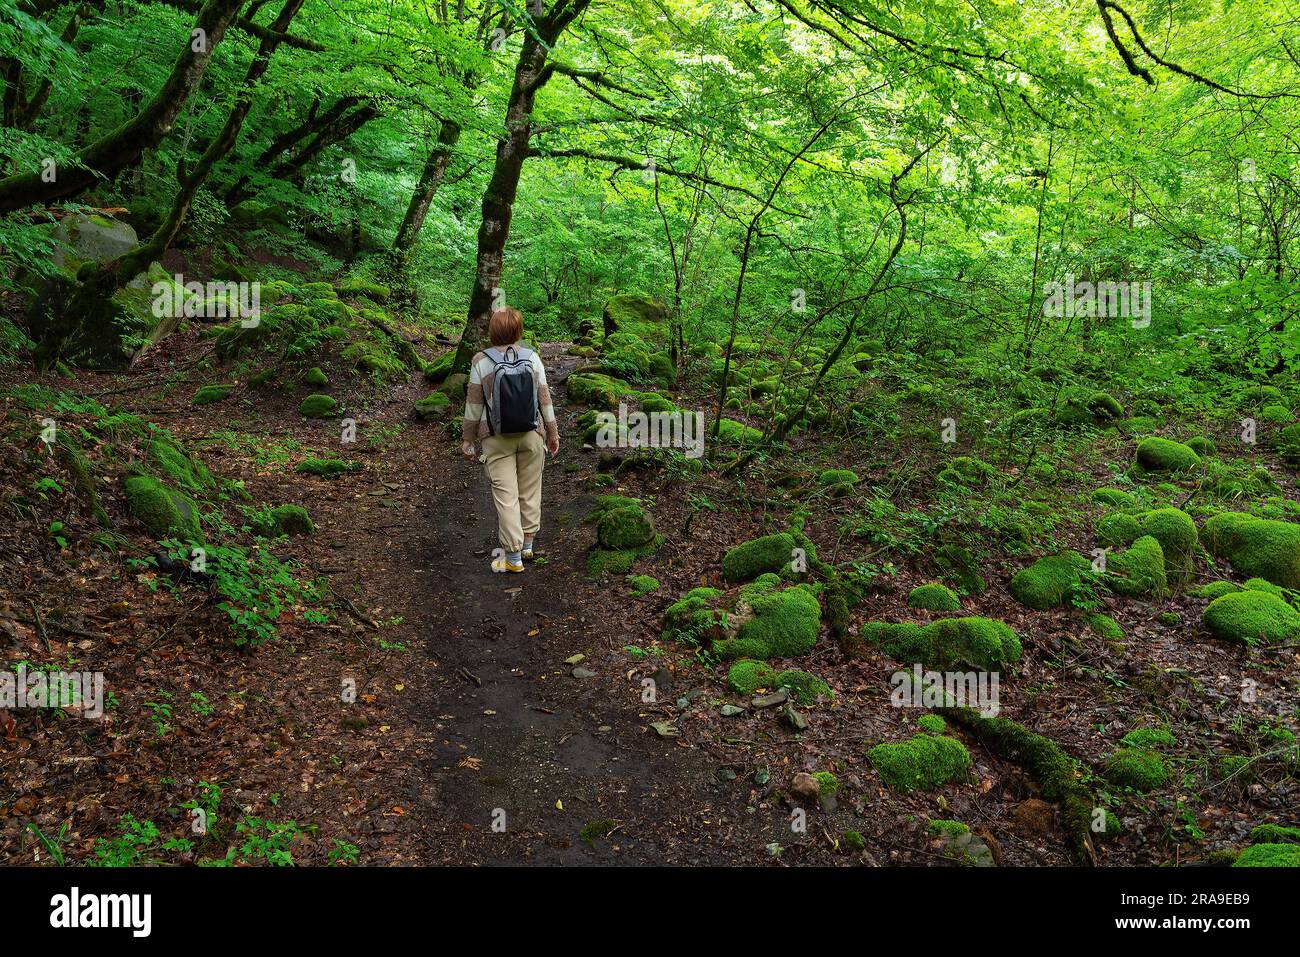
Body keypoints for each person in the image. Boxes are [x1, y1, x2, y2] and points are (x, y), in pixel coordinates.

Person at [460, 308, 560, 573]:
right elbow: (545, 400)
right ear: (518, 331)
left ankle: (513, 558)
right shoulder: (532, 358)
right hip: (531, 435)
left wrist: (468, 439)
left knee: (506, 497)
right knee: (530, 489)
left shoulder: (480, 361)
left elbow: (473, 405)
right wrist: (552, 433)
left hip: (496, 438)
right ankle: (527, 544)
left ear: (493, 331)